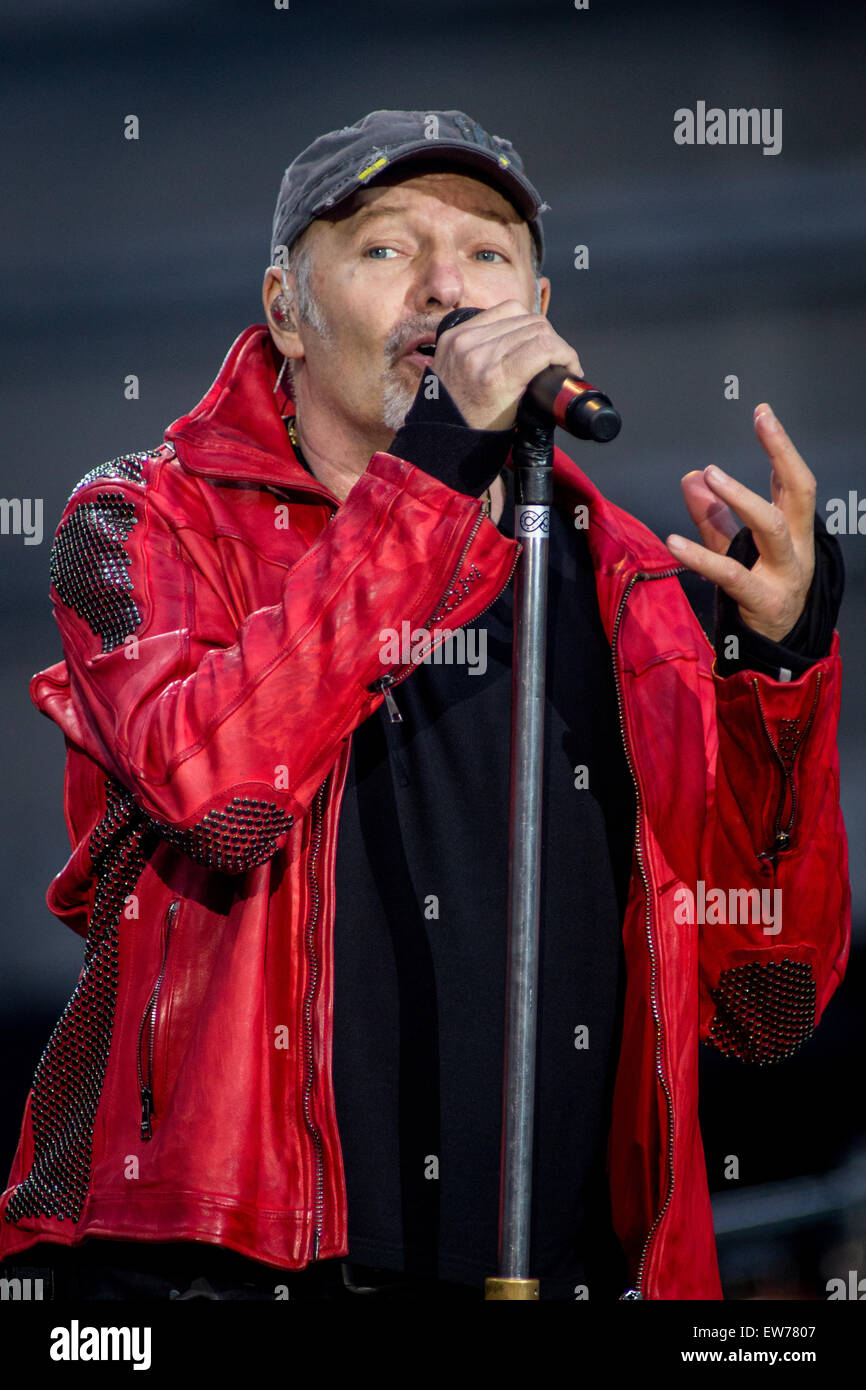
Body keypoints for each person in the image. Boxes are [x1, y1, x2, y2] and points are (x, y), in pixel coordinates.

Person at [0, 108, 850, 1302]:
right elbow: (215, 797)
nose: (447, 287)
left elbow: (762, 1007)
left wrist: (780, 676)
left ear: (541, 307)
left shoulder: (627, 585)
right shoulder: (144, 522)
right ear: (285, 310)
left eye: (489, 252)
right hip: (221, 1270)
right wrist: (435, 471)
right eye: (389, 249)